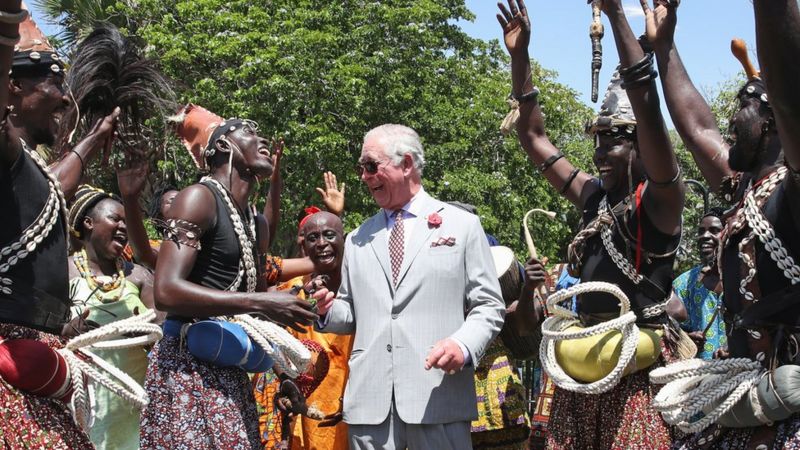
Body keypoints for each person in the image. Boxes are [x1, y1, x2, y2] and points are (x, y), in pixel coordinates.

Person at [498, 0, 685, 447]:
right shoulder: (592, 196)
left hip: (638, 373)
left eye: (614, 143)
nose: (600, 153)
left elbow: (650, 116)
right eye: (597, 142)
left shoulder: (660, 201)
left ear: (641, 144)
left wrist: (618, 15)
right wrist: (519, 57)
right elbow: (534, 137)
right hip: (581, 370)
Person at [651, 0, 800, 447]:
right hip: (748, 395)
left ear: (774, 122)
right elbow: (696, 128)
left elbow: (792, 89)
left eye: (743, 109)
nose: (730, 121)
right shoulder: (744, 190)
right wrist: (664, 49)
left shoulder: (792, 189)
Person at [313, 123, 505, 450]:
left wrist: (463, 344)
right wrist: (327, 311)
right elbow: (350, 313)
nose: (364, 176)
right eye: (361, 168)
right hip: (369, 408)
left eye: (371, 166)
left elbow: (489, 305)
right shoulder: (357, 238)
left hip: (437, 399)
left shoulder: (463, 226)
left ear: (406, 164)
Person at [140, 103, 319, 449]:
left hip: (230, 369)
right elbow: (165, 291)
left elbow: (257, 312)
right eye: (249, 131)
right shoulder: (197, 199)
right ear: (223, 145)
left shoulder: (257, 223)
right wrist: (261, 301)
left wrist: (283, 374)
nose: (261, 138)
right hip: (186, 372)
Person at [0, 4, 118, 447]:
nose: (65, 98)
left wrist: (97, 134)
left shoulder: (29, 171)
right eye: (52, 82)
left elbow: (54, 187)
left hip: (38, 358)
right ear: (12, 87)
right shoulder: (5, 150)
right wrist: (7, 29)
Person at [67, 184, 156, 449]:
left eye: (127, 222)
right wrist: (67, 329)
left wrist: (146, 332)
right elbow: (40, 325)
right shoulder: (63, 271)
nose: (124, 227)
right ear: (88, 223)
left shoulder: (139, 275)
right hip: (82, 396)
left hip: (134, 398)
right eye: (115, 219)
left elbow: (162, 327)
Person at [254, 209, 352, 450]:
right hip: (303, 412)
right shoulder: (293, 291)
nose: (321, 244)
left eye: (329, 235)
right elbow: (271, 343)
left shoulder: (363, 286)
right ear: (303, 246)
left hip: (355, 409)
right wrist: (286, 384)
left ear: (344, 239)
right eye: (312, 238)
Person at [672, 209, 726, 360]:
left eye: (715, 231)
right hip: (698, 375)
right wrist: (686, 339)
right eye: (701, 231)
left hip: (744, 370)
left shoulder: (745, 280)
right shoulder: (683, 284)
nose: (705, 236)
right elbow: (669, 330)